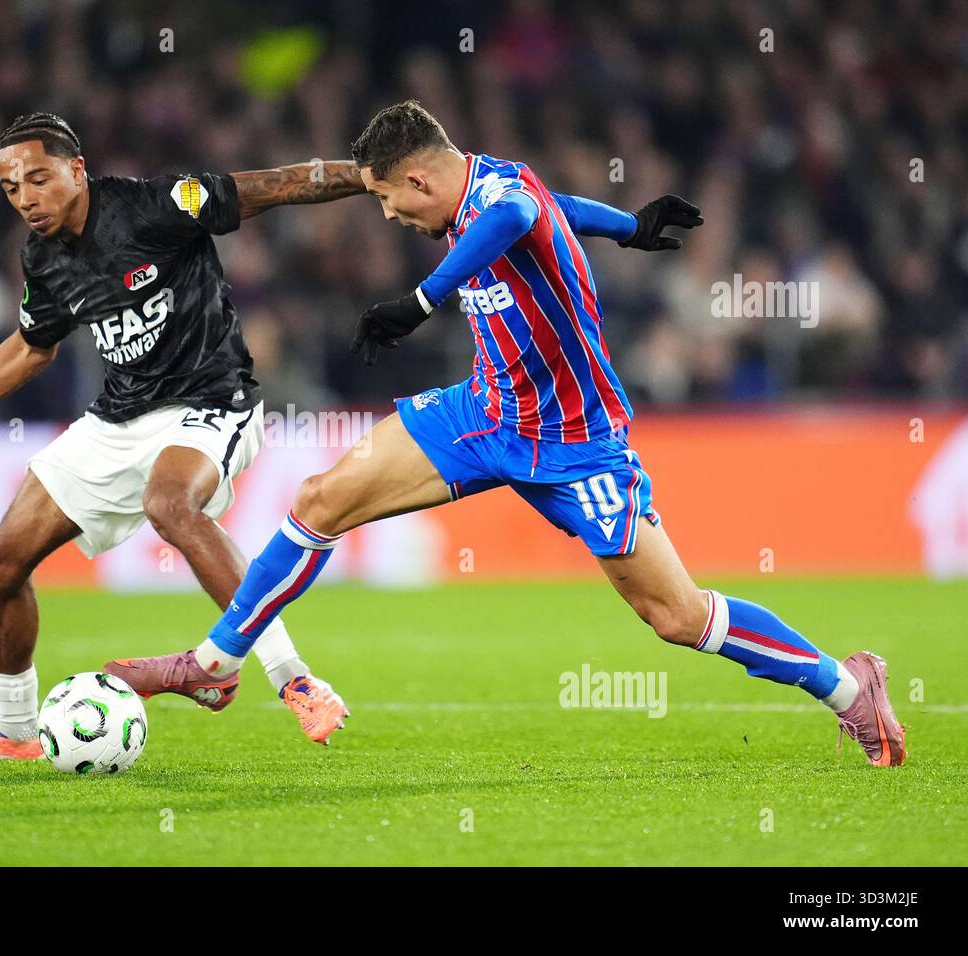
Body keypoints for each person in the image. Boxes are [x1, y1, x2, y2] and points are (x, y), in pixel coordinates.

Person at [112, 101, 906, 767]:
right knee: (320, 499)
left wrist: (420, 303)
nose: (390, 215)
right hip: (486, 412)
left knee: (678, 617)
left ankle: (846, 685)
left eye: (392, 200)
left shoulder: (497, 198)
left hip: (576, 441)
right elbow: (550, 206)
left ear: (421, 178)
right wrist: (628, 224)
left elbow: (522, 212)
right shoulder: (487, 185)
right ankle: (215, 665)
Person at [0, 113, 368, 757]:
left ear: (76, 170)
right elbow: (31, 349)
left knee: (169, 503)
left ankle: (294, 680)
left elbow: (273, 186)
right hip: (119, 417)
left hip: (213, 400)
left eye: (38, 178)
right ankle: (16, 732)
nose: (26, 198)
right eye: (11, 188)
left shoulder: (157, 206)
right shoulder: (44, 257)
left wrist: (365, 175)